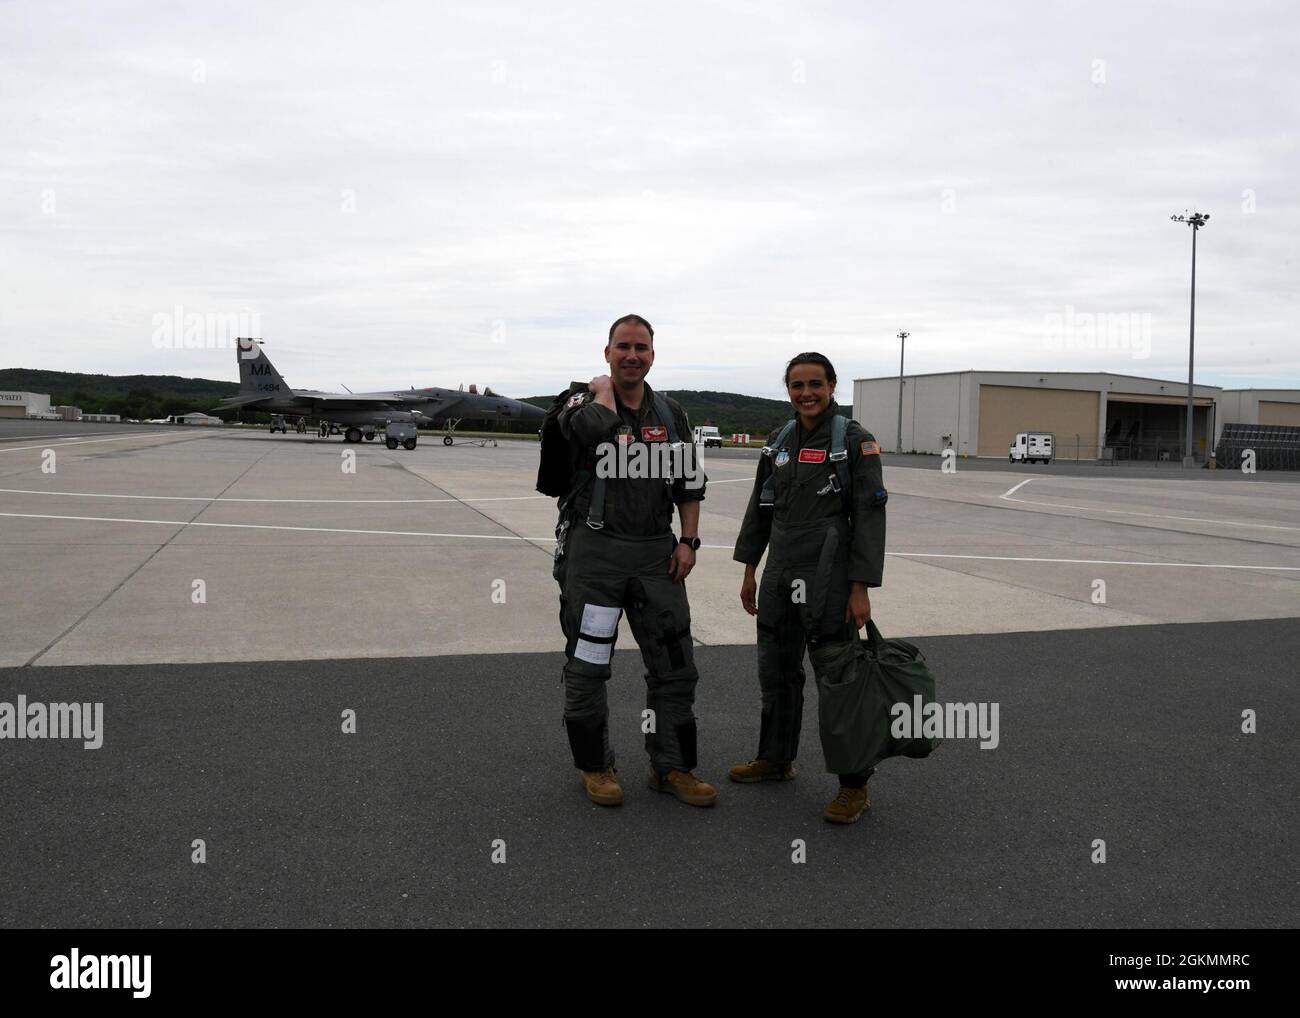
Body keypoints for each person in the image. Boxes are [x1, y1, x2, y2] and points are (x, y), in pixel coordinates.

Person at [553, 314, 715, 808]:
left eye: (641, 347)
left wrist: (688, 540)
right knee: (589, 666)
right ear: (607, 353)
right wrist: (602, 393)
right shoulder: (580, 401)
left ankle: (672, 768)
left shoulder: (670, 415)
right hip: (596, 557)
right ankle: (596, 767)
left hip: (655, 557)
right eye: (623, 346)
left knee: (674, 666)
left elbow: (689, 483)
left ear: (652, 355)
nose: (632, 355)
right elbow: (587, 431)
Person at [730, 352, 888, 824]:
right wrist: (749, 569)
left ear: (833, 385)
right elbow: (761, 507)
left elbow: (870, 518)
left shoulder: (854, 442)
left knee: (837, 680)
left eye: (815, 384)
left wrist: (860, 588)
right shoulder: (778, 441)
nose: (806, 394)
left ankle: (853, 785)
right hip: (780, 570)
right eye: (797, 385)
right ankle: (776, 759)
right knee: (776, 673)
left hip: (829, 577)